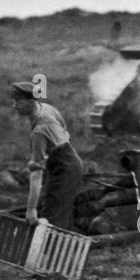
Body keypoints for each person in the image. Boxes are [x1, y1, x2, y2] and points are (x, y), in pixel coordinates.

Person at [10, 81, 83, 229]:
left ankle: (51, 248)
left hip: (65, 169)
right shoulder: (47, 108)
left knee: (52, 215)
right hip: (68, 160)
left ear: (30, 102)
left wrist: (31, 210)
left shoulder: (39, 132)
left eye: (18, 101)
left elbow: (36, 175)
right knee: (56, 206)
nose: (14, 105)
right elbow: (64, 128)